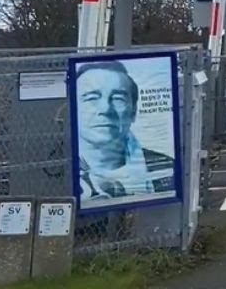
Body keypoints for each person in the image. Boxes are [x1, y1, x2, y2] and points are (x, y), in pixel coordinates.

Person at [75, 61, 175, 203]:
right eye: (92, 98)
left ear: (133, 111)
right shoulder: (58, 170)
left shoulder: (166, 169)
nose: (105, 109)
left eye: (118, 99)